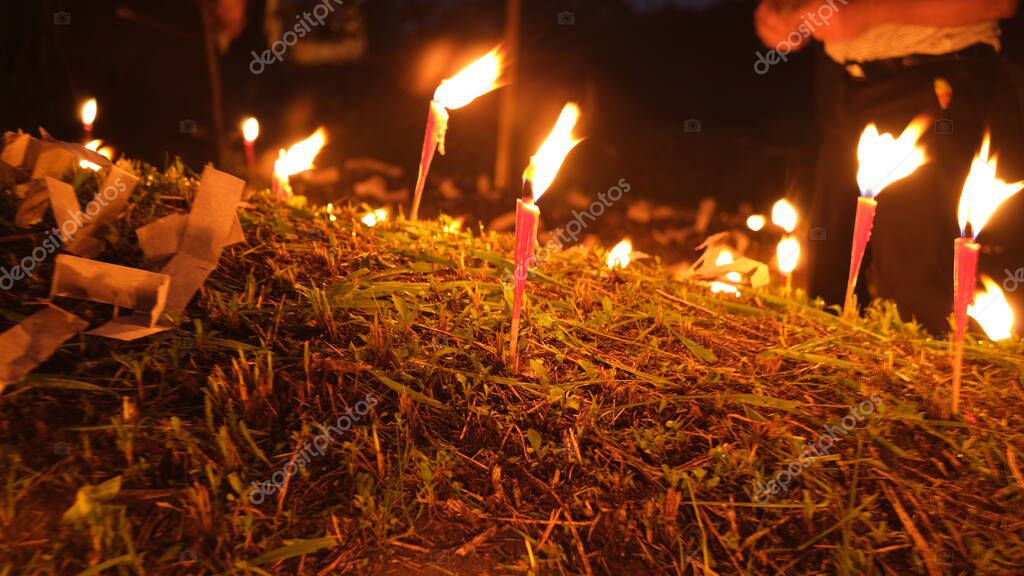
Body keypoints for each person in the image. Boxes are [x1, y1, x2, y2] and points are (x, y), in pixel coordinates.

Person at [756, 0, 1024, 335]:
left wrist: (868, 14)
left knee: (916, 297)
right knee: (829, 290)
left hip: (937, 81)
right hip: (850, 89)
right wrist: (784, 14)